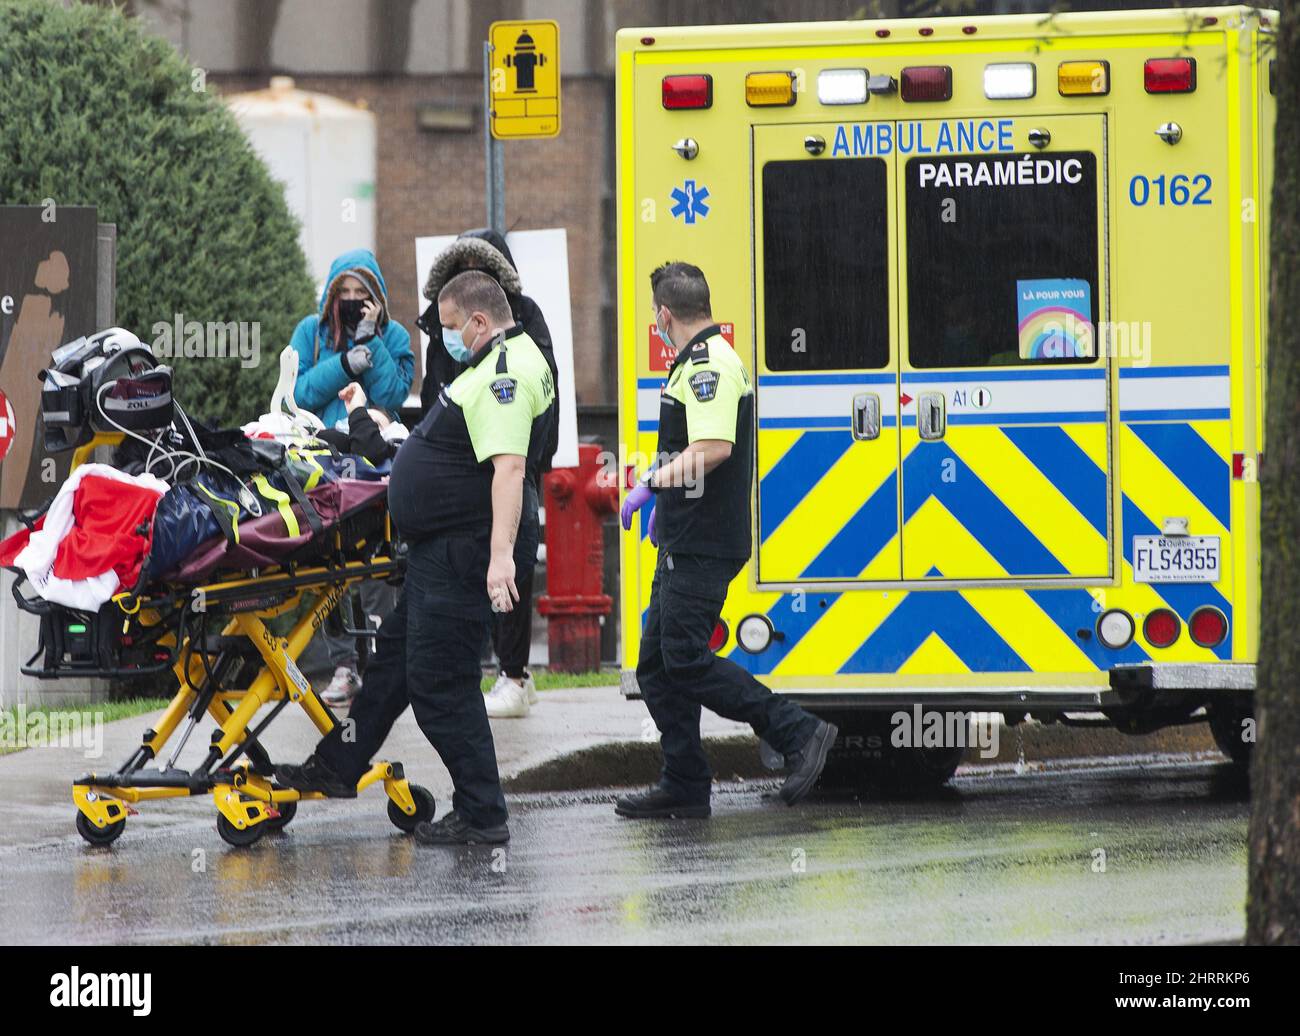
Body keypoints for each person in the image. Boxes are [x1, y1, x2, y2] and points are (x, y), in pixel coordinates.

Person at [276, 271, 557, 846]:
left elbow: (507, 468)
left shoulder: (503, 374)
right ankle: (337, 765)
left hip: (468, 549)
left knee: (440, 684)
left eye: (453, 328)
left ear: (479, 322)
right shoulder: (507, 355)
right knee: (394, 665)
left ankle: (482, 813)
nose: (448, 339)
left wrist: (500, 559)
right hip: (445, 549)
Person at [617, 262, 838, 819]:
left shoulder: (708, 365)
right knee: (656, 667)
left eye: (655, 316)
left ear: (664, 315)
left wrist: (649, 483)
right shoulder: (698, 361)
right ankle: (685, 784)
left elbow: (712, 447)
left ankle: (798, 730)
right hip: (686, 535)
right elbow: (691, 449)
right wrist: (665, 500)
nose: (656, 324)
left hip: (704, 541)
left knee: (686, 660)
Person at [418, 228, 560, 719]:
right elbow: (435, 382)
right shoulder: (446, 325)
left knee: (508, 567)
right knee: (494, 570)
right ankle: (496, 674)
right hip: (469, 465)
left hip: (503, 461)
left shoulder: (516, 336)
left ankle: (514, 675)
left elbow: (537, 400)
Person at [289, 248, 413, 705]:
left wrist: (371, 343)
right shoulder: (312, 333)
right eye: (345, 291)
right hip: (321, 460)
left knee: (374, 564)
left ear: (377, 297)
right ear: (330, 293)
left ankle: (382, 663)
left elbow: (395, 393)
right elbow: (298, 392)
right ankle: (343, 664)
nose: (352, 299)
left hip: (371, 463)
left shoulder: (394, 336)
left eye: (362, 293)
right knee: (326, 565)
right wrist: (343, 364)